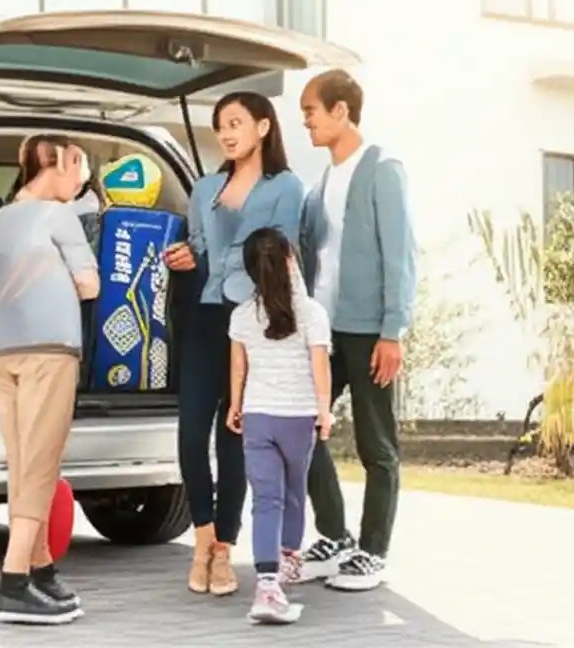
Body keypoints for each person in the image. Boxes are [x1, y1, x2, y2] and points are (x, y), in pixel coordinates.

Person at [162, 91, 305, 596]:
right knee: (190, 430)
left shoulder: (286, 187)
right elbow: (200, 246)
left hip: (252, 320)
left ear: (263, 127)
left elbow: (282, 251)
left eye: (236, 122)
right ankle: (201, 539)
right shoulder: (205, 188)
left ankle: (225, 549)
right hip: (203, 316)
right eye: (221, 124)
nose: (226, 132)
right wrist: (184, 255)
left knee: (235, 433)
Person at [295, 69, 416, 592]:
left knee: (376, 444)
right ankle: (334, 536)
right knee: (301, 426)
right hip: (323, 330)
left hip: (369, 331)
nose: (306, 123)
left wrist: (393, 329)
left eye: (311, 112)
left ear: (341, 110)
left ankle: (372, 550)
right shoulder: (320, 182)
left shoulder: (382, 169)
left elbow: (401, 255)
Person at [0, 134, 98, 625]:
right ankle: (12, 583)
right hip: (49, 349)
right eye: (81, 168)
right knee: (41, 464)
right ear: (59, 163)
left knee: (23, 464)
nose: (84, 179)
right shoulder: (58, 216)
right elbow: (89, 285)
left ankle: (41, 568)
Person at [226, 227, 333, 624]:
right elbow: (319, 366)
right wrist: (324, 411)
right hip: (298, 418)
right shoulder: (312, 313)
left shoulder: (241, 315)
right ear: (291, 261)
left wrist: (234, 406)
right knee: (293, 491)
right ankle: (288, 559)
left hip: (257, 417)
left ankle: (266, 584)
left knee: (265, 499)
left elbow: (239, 367)